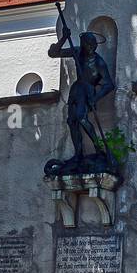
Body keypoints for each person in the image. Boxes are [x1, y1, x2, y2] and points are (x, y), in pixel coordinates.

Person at [48, 27, 115, 170]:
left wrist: (95, 98)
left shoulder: (99, 62)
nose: (91, 48)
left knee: (81, 118)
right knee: (72, 121)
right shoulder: (77, 52)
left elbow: (109, 84)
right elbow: (53, 53)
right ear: (83, 44)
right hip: (77, 89)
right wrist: (64, 38)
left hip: (88, 90)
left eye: (93, 45)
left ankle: (98, 149)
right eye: (88, 45)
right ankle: (78, 155)